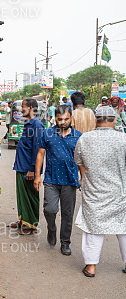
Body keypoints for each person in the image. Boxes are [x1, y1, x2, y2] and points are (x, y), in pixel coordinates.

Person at [74, 106, 126, 277]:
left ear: (96, 120)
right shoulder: (123, 139)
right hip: (119, 192)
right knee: (124, 228)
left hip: (94, 191)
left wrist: (86, 178)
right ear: (115, 120)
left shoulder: (84, 139)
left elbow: (79, 161)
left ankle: (91, 267)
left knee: (92, 228)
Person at [34, 105, 82, 255]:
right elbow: (40, 155)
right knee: (49, 209)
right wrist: (37, 176)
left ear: (71, 118)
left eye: (66, 119)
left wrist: (83, 178)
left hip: (70, 181)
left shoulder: (78, 136)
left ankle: (65, 243)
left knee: (67, 214)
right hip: (51, 179)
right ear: (55, 118)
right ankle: (51, 228)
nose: (62, 122)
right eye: (59, 119)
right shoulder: (47, 133)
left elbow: (81, 159)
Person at [11, 98, 45, 235]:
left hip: (28, 168)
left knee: (30, 196)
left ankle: (31, 224)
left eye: (23, 107)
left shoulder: (37, 125)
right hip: (21, 165)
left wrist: (33, 169)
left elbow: (38, 150)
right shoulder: (28, 123)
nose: (21, 109)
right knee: (22, 196)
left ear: (31, 108)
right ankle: (23, 219)